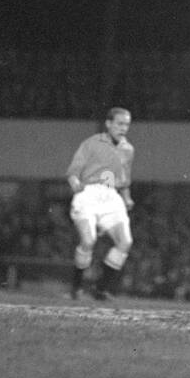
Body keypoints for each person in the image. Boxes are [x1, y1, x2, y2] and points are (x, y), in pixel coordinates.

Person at [66, 107, 135, 300]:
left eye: (127, 124)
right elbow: (73, 171)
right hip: (88, 194)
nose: (124, 128)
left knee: (125, 242)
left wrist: (127, 197)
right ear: (108, 123)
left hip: (111, 196)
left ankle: (101, 289)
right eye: (120, 123)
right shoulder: (91, 143)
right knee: (88, 241)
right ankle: (77, 287)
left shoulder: (128, 149)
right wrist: (75, 185)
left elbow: (125, 178)